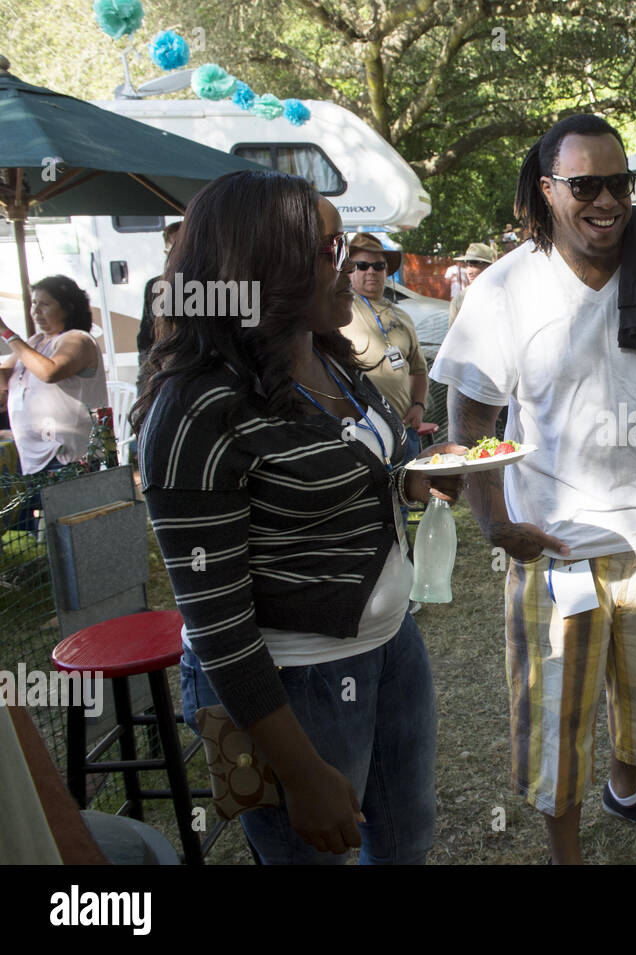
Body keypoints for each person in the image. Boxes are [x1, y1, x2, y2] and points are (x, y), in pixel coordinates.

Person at [132, 169, 464, 864]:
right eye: (329, 249)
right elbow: (218, 628)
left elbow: (361, 474)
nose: (350, 267)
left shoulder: (327, 356)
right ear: (263, 266)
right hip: (290, 687)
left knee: (406, 845)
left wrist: (416, 481)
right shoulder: (195, 412)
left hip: (390, 649)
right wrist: (301, 772)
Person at [431, 114, 636, 864]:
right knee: (556, 727)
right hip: (553, 549)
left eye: (619, 183)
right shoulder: (506, 286)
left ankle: (626, 790)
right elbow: (468, 408)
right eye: (584, 184)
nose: (606, 201)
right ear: (547, 189)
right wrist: (496, 524)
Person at [0, 275, 108, 481]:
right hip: (34, 459)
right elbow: (3, 377)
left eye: (45, 304)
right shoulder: (35, 341)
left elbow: (49, 372)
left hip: (68, 459)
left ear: (68, 308)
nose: (36, 311)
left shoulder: (77, 339)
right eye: (34, 303)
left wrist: (6, 333)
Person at [341, 232, 431, 467]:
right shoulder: (341, 308)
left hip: (404, 428)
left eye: (378, 266)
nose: (371, 271)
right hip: (363, 429)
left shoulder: (402, 316)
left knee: (405, 497)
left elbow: (419, 370)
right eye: (362, 265)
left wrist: (419, 406)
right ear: (350, 270)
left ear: (385, 271)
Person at [137, 220, 184, 385]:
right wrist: (145, 382)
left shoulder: (217, 284)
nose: (182, 251)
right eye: (175, 246)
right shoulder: (155, 287)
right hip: (163, 372)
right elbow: (146, 338)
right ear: (166, 252)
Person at [447, 242, 497, 327]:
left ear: (489, 266)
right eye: (467, 265)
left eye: (474, 265)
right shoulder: (459, 300)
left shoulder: (501, 294)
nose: (469, 271)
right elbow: (453, 336)